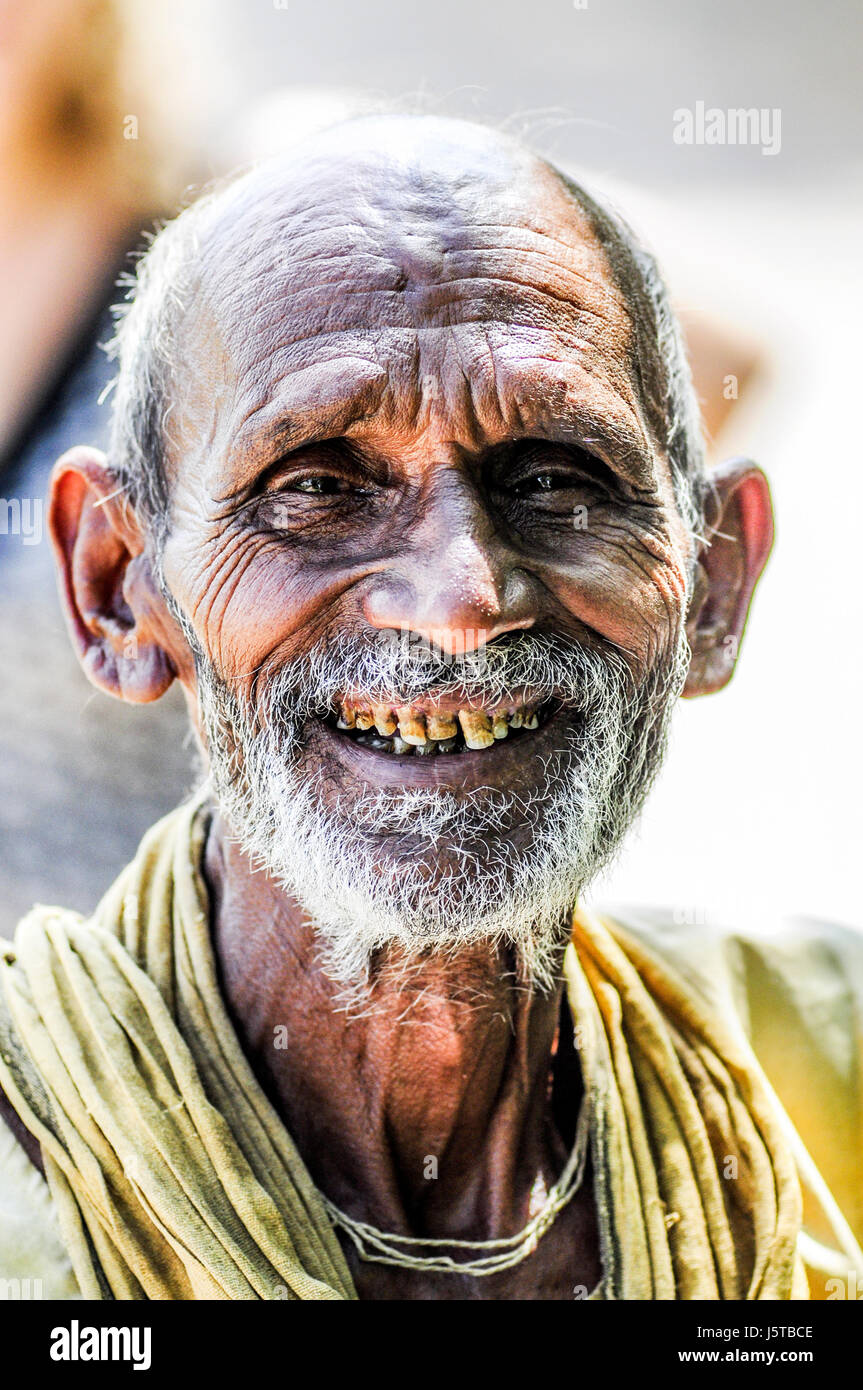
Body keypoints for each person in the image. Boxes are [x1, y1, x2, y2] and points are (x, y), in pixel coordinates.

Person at [1, 115, 860, 1301]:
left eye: (556, 476)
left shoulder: (825, 1061)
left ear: (714, 581)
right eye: (314, 485)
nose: (462, 601)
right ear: (115, 588)